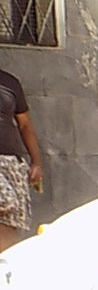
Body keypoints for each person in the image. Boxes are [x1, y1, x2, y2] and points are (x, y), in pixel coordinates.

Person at [0, 67, 44, 251]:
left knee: (14, 218)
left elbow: (25, 125)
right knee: (6, 200)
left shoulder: (10, 82)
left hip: (11, 163)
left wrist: (36, 162)